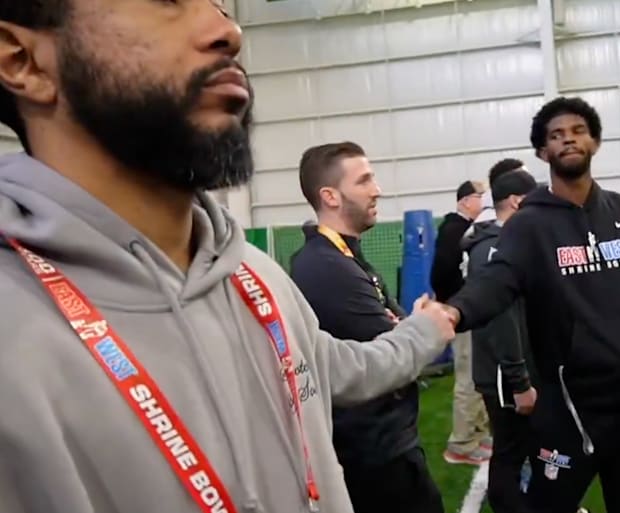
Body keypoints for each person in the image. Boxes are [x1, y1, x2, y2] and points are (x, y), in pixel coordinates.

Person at [0, 3, 456, 513]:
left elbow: (336, 369)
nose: (228, 31)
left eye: (218, 3)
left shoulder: (256, 278)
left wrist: (424, 333)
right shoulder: (14, 338)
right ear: (24, 62)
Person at [444, 96, 620, 513]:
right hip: (569, 410)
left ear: (595, 142)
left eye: (577, 132)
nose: (568, 140)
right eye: (556, 136)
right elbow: (498, 281)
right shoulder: (531, 224)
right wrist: (455, 311)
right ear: (542, 152)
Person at [290, 142, 445, 513]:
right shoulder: (325, 267)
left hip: (386, 446)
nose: (377, 190)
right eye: (364, 180)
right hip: (374, 458)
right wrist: (421, 330)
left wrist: (406, 328)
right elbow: (392, 356)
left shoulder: (346, 257)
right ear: (330, 196)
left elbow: (394, 330)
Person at [463, 168, 539, 513]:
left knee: (524, 447)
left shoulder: (504, 243)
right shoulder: (493, 249)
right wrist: (519, 380)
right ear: (517, 201)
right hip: (503, 375)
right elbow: (500, 317)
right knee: (511, 452)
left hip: (511, 369)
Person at [432, 179, 492, 464]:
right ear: (466, 200)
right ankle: (462, 443)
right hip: (462, 312)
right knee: (468, 376)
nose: (484, 201)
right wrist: (459, 303)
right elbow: (443, 273)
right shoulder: (455, 229)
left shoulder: (458, 228)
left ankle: (478, 433)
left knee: (477, 372)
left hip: (466, 310)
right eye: (481, 196)